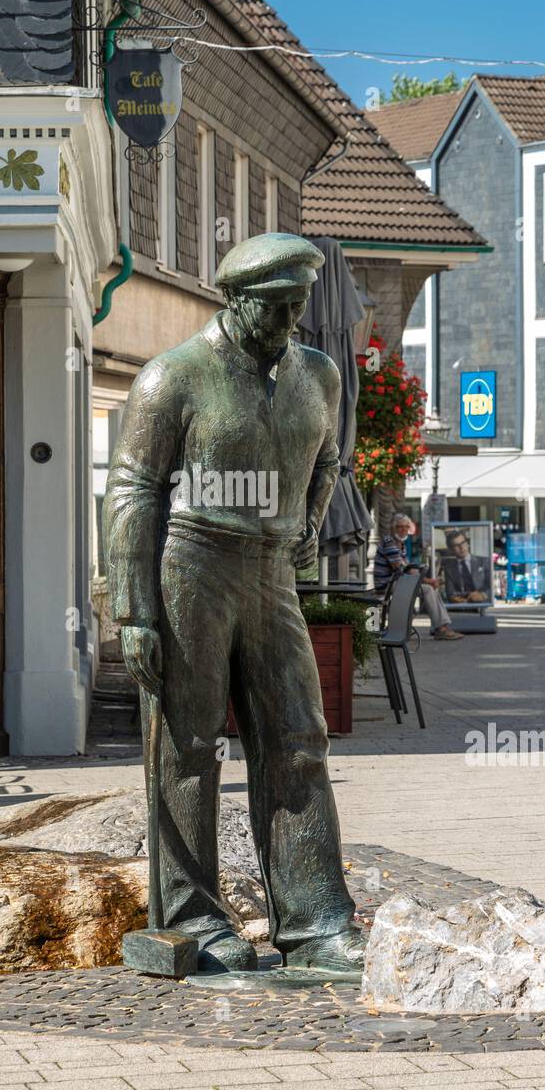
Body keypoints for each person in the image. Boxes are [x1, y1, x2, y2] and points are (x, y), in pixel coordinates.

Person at [104, 232, 363, 974]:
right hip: (195, 562)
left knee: (299, 736)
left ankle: (316, 922)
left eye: (298, 308)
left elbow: (330, 460)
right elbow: (133, 490)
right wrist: (134, 610)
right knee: (187, 741)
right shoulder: (172, 378)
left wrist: (309, 523)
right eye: (276, 309)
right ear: (236, 300)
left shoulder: (317, 374)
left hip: (272, 569)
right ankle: (191, 921)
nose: (289, 324)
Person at [373, 513, 463, 640]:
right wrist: (426, 581)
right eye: (400, 527)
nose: (403, 530)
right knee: (427, 589)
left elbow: (409, 568)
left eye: (406, 527)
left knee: (431, 589)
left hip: (397, 582)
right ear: (393, 528)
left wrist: (427, 580)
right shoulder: (390, 543)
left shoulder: (401, 544)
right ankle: (441, 628)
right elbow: (401, 569)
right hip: (387, 584)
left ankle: (442, 626)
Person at [441, 527, 491, 603]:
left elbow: (491, 586)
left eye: (463, 543)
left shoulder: (484, 561)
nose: (461, 547)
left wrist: (483, 595)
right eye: (456, 545)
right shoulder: (449, 568)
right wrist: (455, 599)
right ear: (451, 549)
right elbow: (450, 594)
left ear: (467, 543)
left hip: (482, 606)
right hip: (461, 608)